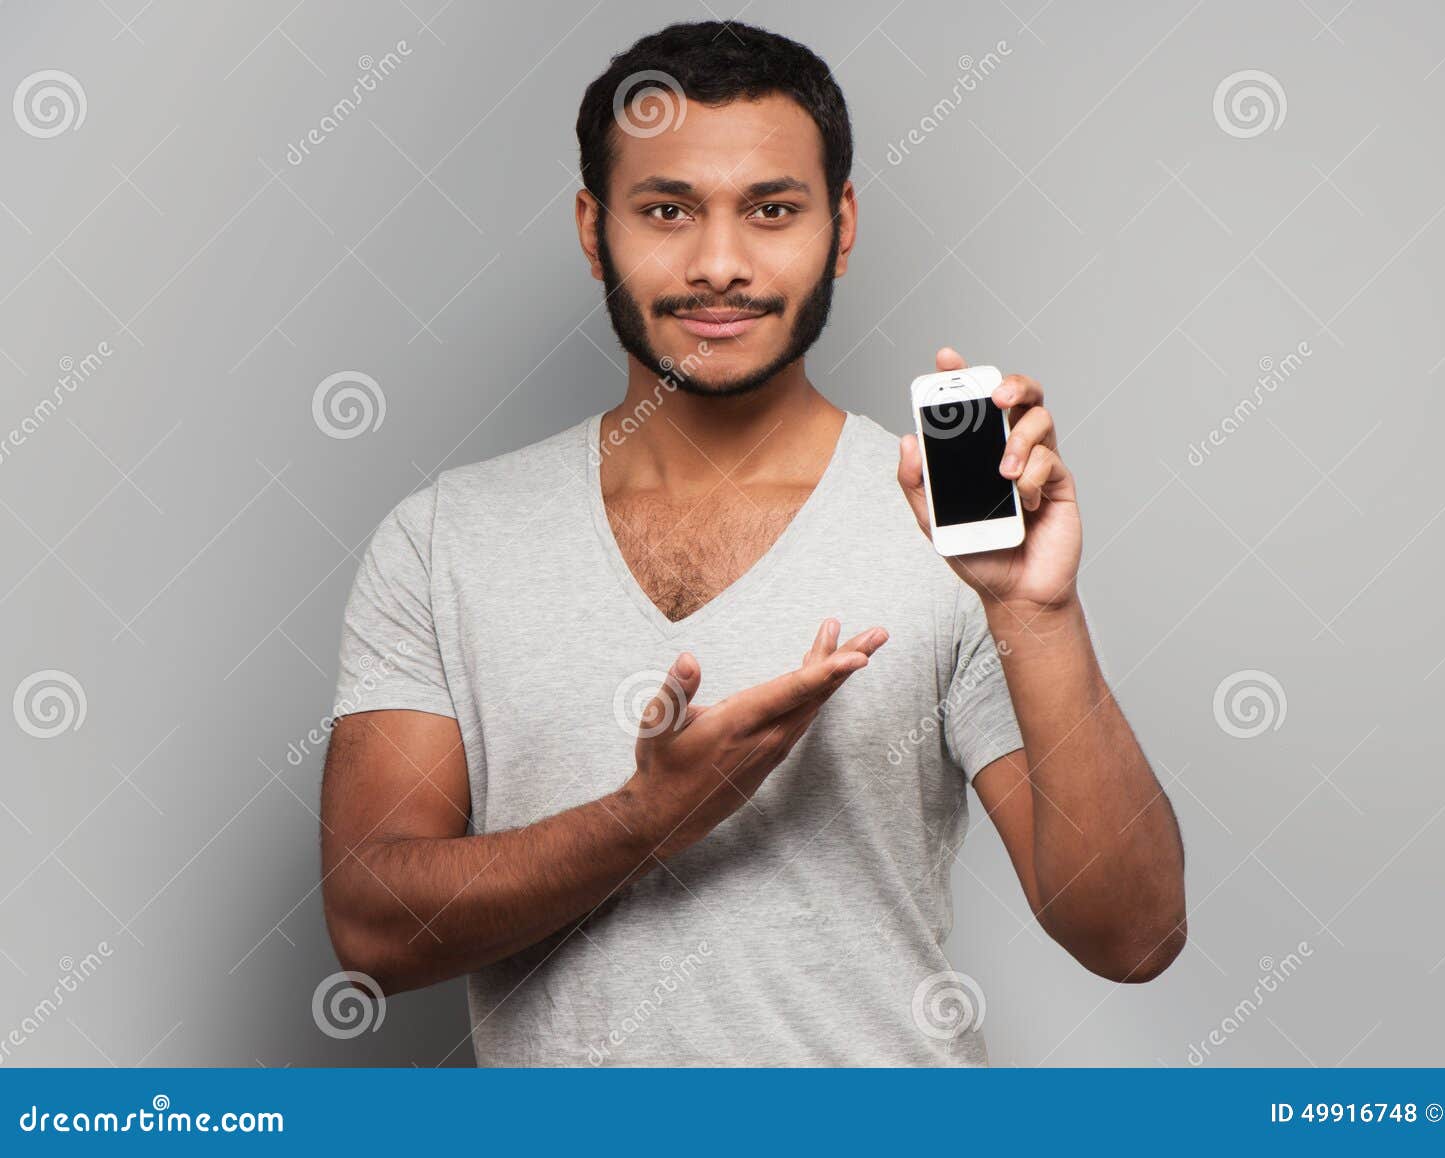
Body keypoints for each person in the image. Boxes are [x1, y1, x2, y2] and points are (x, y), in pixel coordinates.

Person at [319, 19, 1186, 1067]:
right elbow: (371, 928)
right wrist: (650, 817)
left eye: (771, 211)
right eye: (668, 210)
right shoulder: (445, 539)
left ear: (842, 225)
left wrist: (1033, 610)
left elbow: (1132, 938)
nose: (719, 265)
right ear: (595, 231)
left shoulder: (943, 535)